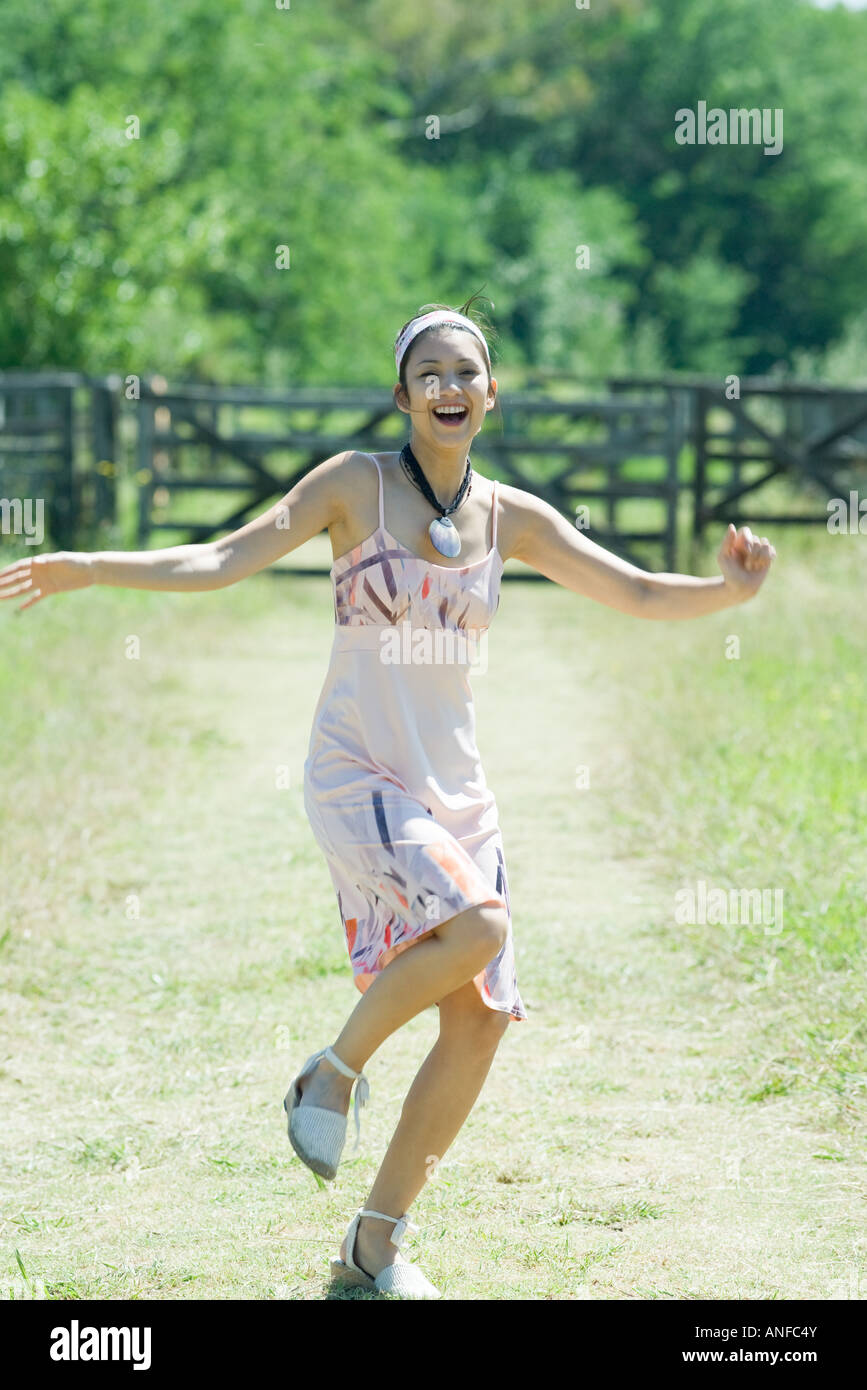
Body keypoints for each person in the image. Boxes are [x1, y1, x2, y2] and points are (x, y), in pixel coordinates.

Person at [0, 295, 776, 1299]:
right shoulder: (353, 487)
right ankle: (333, 1070)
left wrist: (729, 593)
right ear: (403, 396)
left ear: (490, 395)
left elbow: (631, 588)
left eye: (468, 371)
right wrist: (91, 567)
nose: (450, 386)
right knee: (482, 926)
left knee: (481, 1020)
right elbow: (222, 557)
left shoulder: (512, 516)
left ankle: (374, 1247)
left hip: (457, 792)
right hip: (359, 771)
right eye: (430, 372)